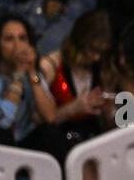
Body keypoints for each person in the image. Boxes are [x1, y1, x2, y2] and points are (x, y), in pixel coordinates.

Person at [0, 13, 56, 144]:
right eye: (9, 39)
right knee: (3, 135)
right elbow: (3, 122)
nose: (18, 46)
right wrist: (17, 77)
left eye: (22, 38)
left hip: (19, 142)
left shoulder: (33, 75)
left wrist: (32, 73)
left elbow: (50, 117)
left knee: (50, 133)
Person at [37, 8, 111, 161]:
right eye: (92, 50)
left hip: (92, 139)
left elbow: (107, 122)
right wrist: (73, 108)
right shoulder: (50, 66)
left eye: (101, 52)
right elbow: (37, 121)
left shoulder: (102, 68)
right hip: (59, 141)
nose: (96, 57)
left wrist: (109, 112)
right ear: (79, 41)